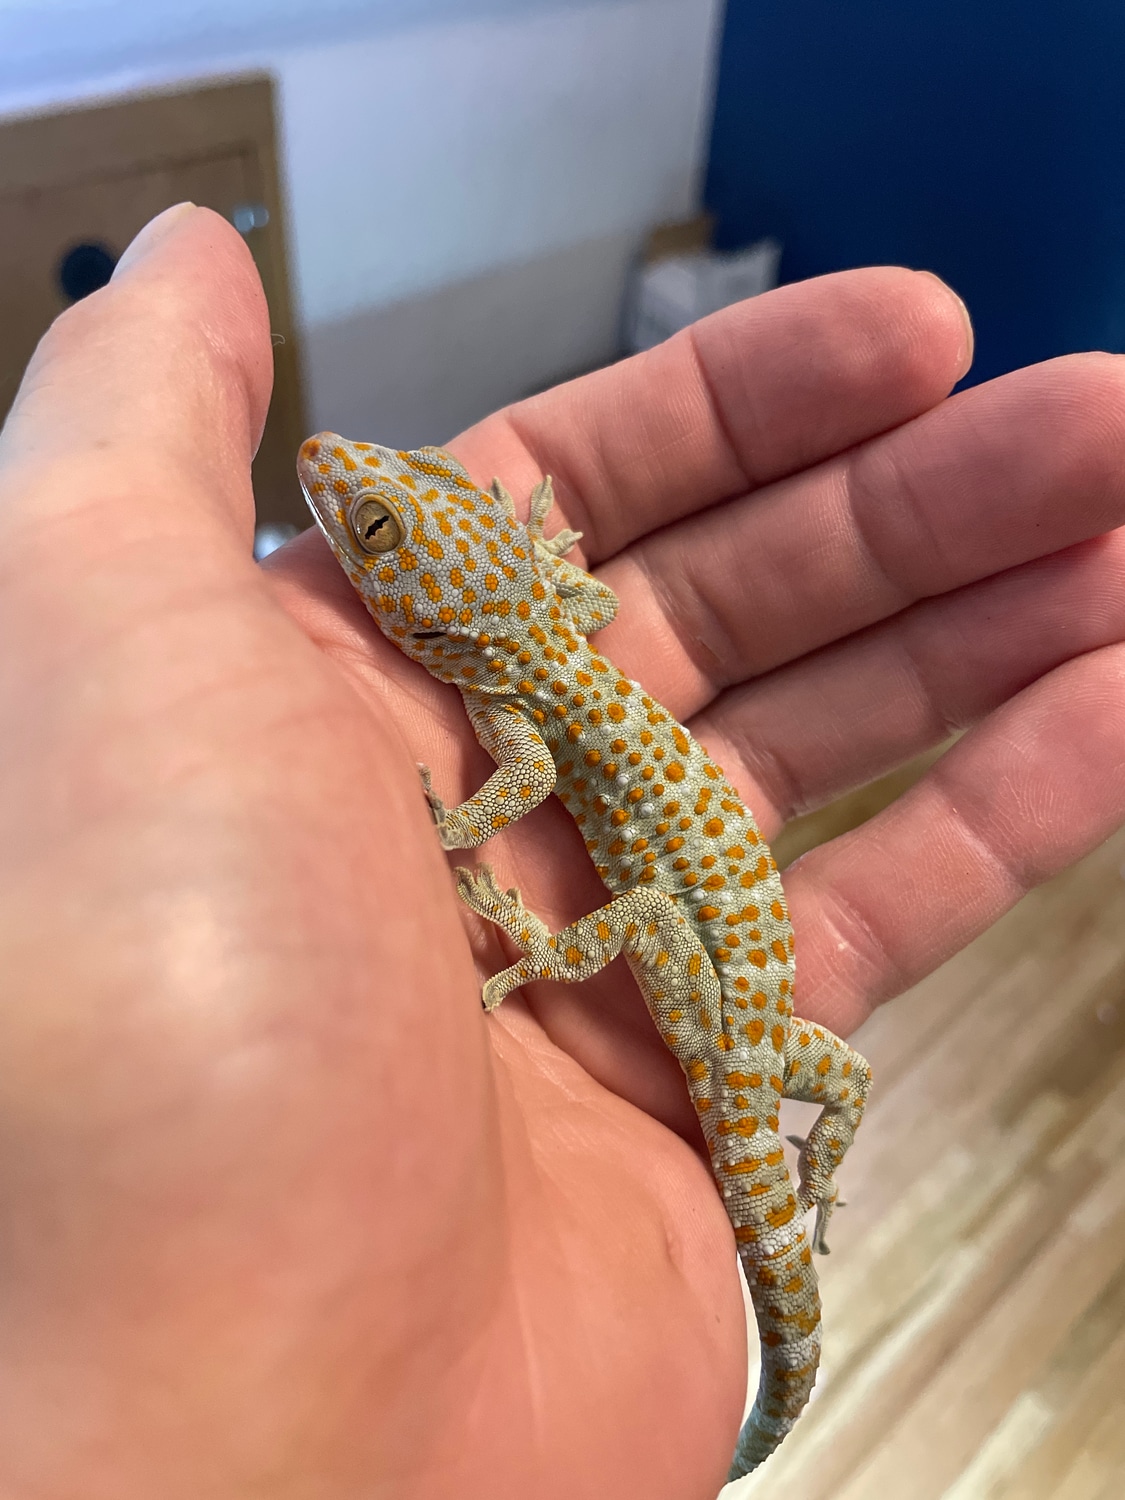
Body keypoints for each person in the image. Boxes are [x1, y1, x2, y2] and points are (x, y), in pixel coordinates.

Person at [1, 203, 1122, 1499]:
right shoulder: (547, 638)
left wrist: (457, 843)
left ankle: (764, 1303)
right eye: (379, 516)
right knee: (833, 1077)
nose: (336, 471)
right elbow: (566, 637)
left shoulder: (511, 699)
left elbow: (525, 776)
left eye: (377, 525)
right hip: (754, 1016)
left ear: (440, 618)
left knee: (650, 920)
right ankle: (799, 1218)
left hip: (717, 1006)